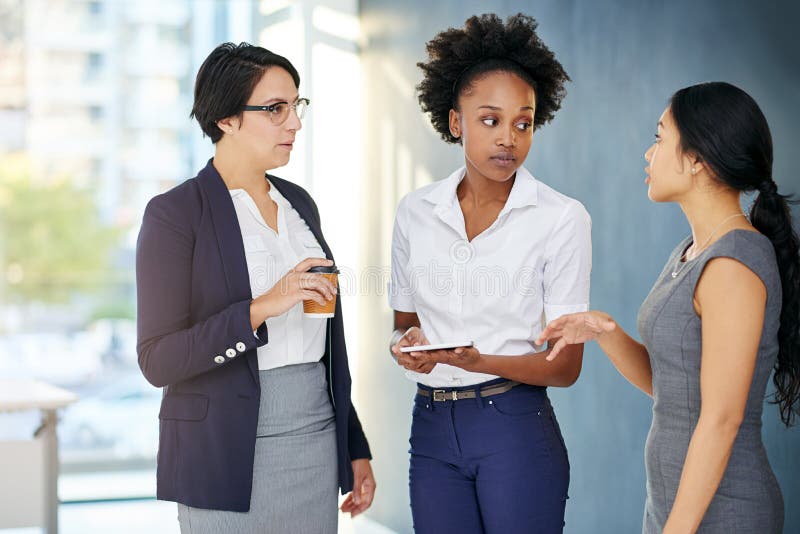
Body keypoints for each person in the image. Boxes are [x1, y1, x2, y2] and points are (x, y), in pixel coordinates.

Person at [537, 82, 799, 533]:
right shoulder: (691, 251)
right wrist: (606, 331)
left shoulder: (734, 264)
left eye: (660, 137)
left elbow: (721, 417)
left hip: (725, 515)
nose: (648, 153)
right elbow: (676, 389)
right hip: (673, 510)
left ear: (697, 159)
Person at [136, 42, 374, 533]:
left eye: (296, 106)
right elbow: (158, 360)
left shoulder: (299, 205)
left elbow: (324, 345)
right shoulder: (175, 214)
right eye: (274, 109)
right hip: (223, 447)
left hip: (315, 436)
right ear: (225, 118)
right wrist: (262, 307)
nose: (295, 123)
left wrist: (354, 445)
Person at [388, 13, 591, 534]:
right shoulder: (415, 211)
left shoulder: (561, 218)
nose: (509, 139)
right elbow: (403, 320)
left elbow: (566, 367)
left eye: (522, 123)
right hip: (431, 432)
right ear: (456, 122)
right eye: (489, 120)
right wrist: (405, 345)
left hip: (515, 429)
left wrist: (481, 361)